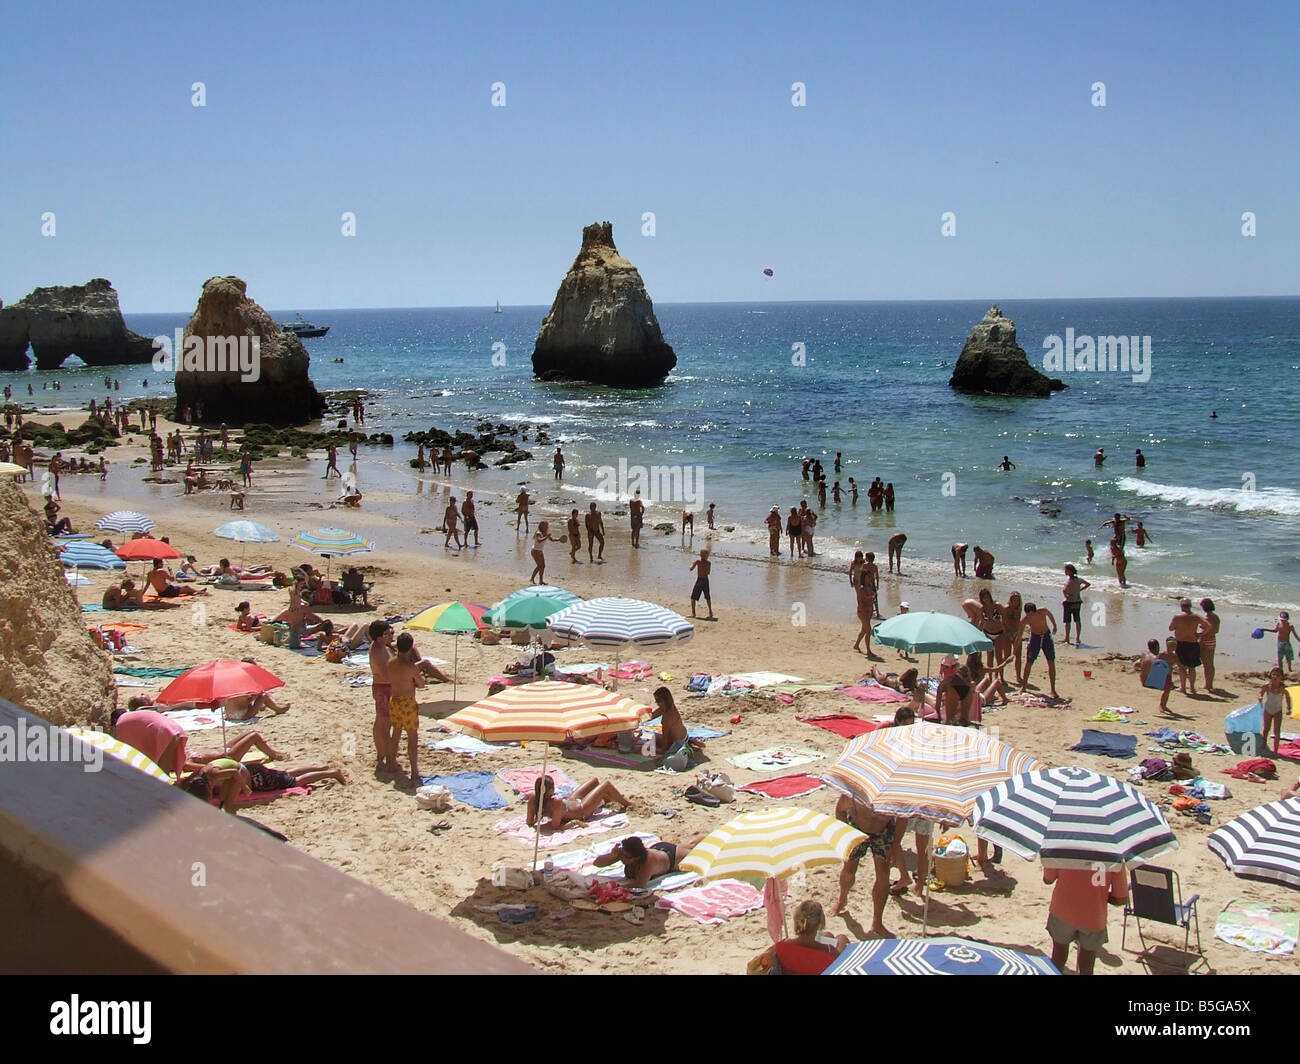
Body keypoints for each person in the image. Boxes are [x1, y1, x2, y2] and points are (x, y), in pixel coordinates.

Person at [1044, 862, 1128, 975]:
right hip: (1094, 916)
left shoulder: (1064, 846)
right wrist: (1098, 894)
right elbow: (1120, 899)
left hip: (1062, 910)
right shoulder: (1114, 856)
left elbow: (1047, 880)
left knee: (1057, 958)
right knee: (1087, 966)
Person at [833, 794, 896, 937]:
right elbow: (840, 810)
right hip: (857, 827)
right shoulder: (856, 793)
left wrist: (896, 845)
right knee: (849, 869)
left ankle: (877, 922)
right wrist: (845, 836)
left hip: (884, 830)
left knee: (884, 876)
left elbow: (903, 819)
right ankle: (842, 898)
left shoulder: (893, 798)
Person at [751, 900, 848, 975]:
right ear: (819, 925)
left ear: (797, 921)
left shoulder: (781, 947)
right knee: (841, 938)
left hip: (793, 955)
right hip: (823, 958)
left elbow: (758, 966)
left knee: (827, 935)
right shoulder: (830, 953)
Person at [593, 835, 707, 888]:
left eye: (626, 856)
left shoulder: (647, 863)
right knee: (689, 845)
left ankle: (712, 837)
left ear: (635, 858)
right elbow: (597, 863)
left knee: (698, 854)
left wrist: (613, 886)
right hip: (658, 848)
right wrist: (611, 856)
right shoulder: (625, 854)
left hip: (671, 858)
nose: (622, 858)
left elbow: (639, 884)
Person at [387, 632, 425, 782]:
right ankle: (414, 771)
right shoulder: (410, 667)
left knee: (395, 732)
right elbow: (421, 684)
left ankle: (391, 763)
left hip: (394, 699)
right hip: (407, 702)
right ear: (410, 648)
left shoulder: (390, 662)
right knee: (412, 737)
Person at [527, 775, 630, 830]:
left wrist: (537, 817)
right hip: (582, 810)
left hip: (571, 801)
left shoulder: (533, 799)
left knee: (594, 781)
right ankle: (628, 804)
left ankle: (606, 799)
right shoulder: (556, 803)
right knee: (606, 785)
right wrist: (575, 822)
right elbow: (556, 826)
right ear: (549, 790)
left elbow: (529, 822)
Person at [369, 620, 396, 772]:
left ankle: (383, 753)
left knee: (385, 722)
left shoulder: (383, 647)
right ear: (380, 636)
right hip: (383, 688)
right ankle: (382, 754)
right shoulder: (377, 651)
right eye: (387, 633)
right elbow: (386, 675)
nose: (390, 636)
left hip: (386, 687)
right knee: (383, 722)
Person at [1018, 602, 1059, 698]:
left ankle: (1053, 689)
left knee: (1051, 661)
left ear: (1035, 611)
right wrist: (1015, 650)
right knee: (1029, 662)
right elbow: (1019, 636)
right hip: (1035, 638)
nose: (1030, 616)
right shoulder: (1025, 620)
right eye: (1028, 614)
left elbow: (1050, 615)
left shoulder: (1042, 611)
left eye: (1031, 614)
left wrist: (1054, 625)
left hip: (1046, 636)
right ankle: (1024, 686)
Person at [1169, 599, 1207, 695]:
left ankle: (1183, 687)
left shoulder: (1177, 617)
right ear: (1190, 606)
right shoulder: (1196, 617)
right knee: (1192, 667)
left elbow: (1170, 628)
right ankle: (1192, 688)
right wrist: (1200, 634)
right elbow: (1208, 626)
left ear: (1182, 607)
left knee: (1181, 667)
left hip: (1181, 643)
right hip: (1192, 642)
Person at [1134, 638, 1174, 714]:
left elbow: (1136, 664)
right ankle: (1163, 705)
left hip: (1144, 682)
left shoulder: (1144, 654)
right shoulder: (1159, 658)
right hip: (1154, 684)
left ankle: (1163, 706)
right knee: (1168, 681)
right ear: (1157, 647)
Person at [648, 686, 688, 755]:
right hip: (685, 737)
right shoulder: (670, 706)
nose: (657, 703)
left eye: (658, 701)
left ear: (664, 700)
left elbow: (665, 737)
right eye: (656, 701)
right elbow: (652, 715)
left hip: (677, 744)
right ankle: (690, 742)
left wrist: (659, 750)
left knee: (653, 739)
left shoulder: (667, 718)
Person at [1262, 667, 1293, 755]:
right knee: (1266, 728)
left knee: (1277, 730)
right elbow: (1261, 692)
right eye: (1273, 675)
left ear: (1281, 677)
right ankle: (1264, 744)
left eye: (1278, 675)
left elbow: (1287, 697)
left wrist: (1288, 708)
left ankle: (1275, 749)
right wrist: (1260, 697)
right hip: (1268, 709)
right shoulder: (1267, 685)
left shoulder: (1283, 687)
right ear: (1271, 675)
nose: (1275, 677)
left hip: (1278, 710)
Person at [1062, 564, 1090, 645]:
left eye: (1066, 570)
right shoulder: (1079, 579)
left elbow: (1064, 590)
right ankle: (1077, 638)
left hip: (1069, 602)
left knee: (1067, 621)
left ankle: (1067, 638)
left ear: (1069, 571)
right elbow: (1088, 584)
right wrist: (1080, 590)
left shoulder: (1070, 581)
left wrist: (1066, 596)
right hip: (1077, 601)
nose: (1065, 571)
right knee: (1077, 620)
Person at [1199, 598, 1220, 692]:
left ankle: (1207, 685)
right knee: (1211, 663)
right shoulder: (1216, 617)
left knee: (1206, 664)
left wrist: (1198, 634)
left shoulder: (1206, 618)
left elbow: (1205, 630)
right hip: (1213, 639)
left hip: (1205, 640)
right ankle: (1210, 683)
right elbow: (1216, 630)